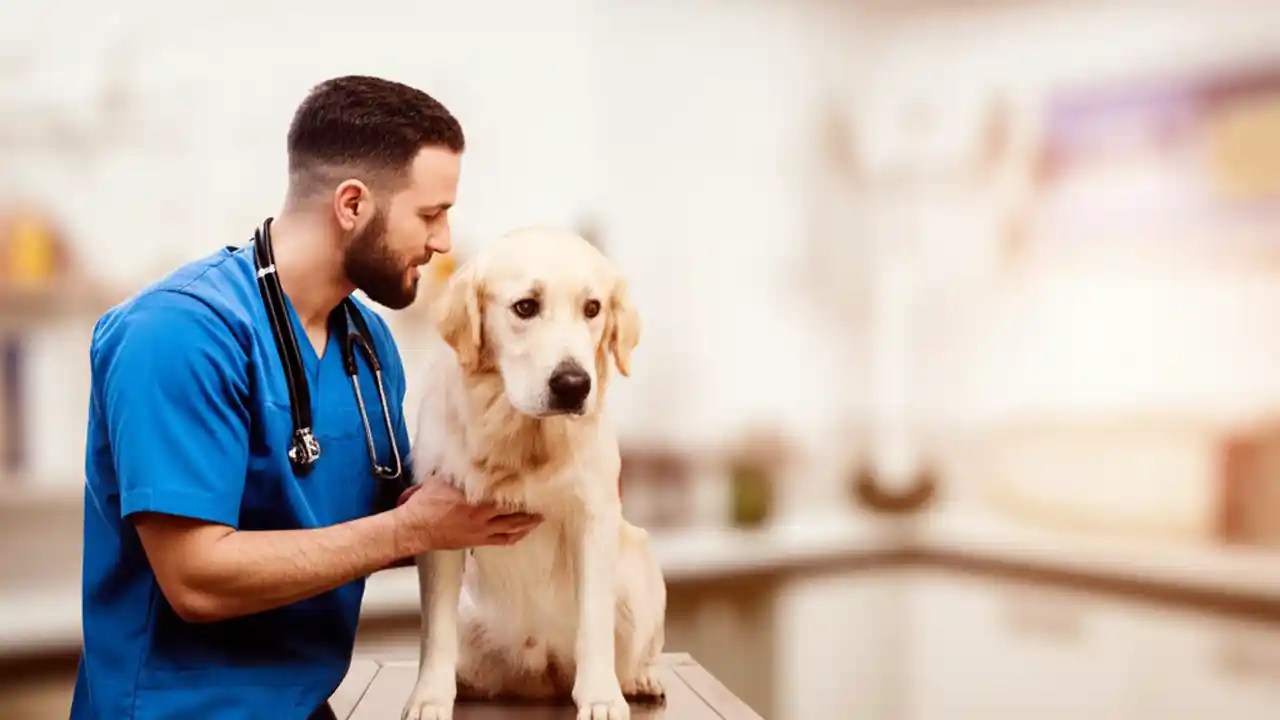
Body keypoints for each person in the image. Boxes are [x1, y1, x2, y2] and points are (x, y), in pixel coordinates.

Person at [69, 75, 542, 720]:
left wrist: (536, 480)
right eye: (430, 215)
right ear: (352, 205)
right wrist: (412, 527)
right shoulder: (176, 334)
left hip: (307, 706)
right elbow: (195, 577)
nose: (443, 243)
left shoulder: (368, 344)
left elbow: (394, 517)